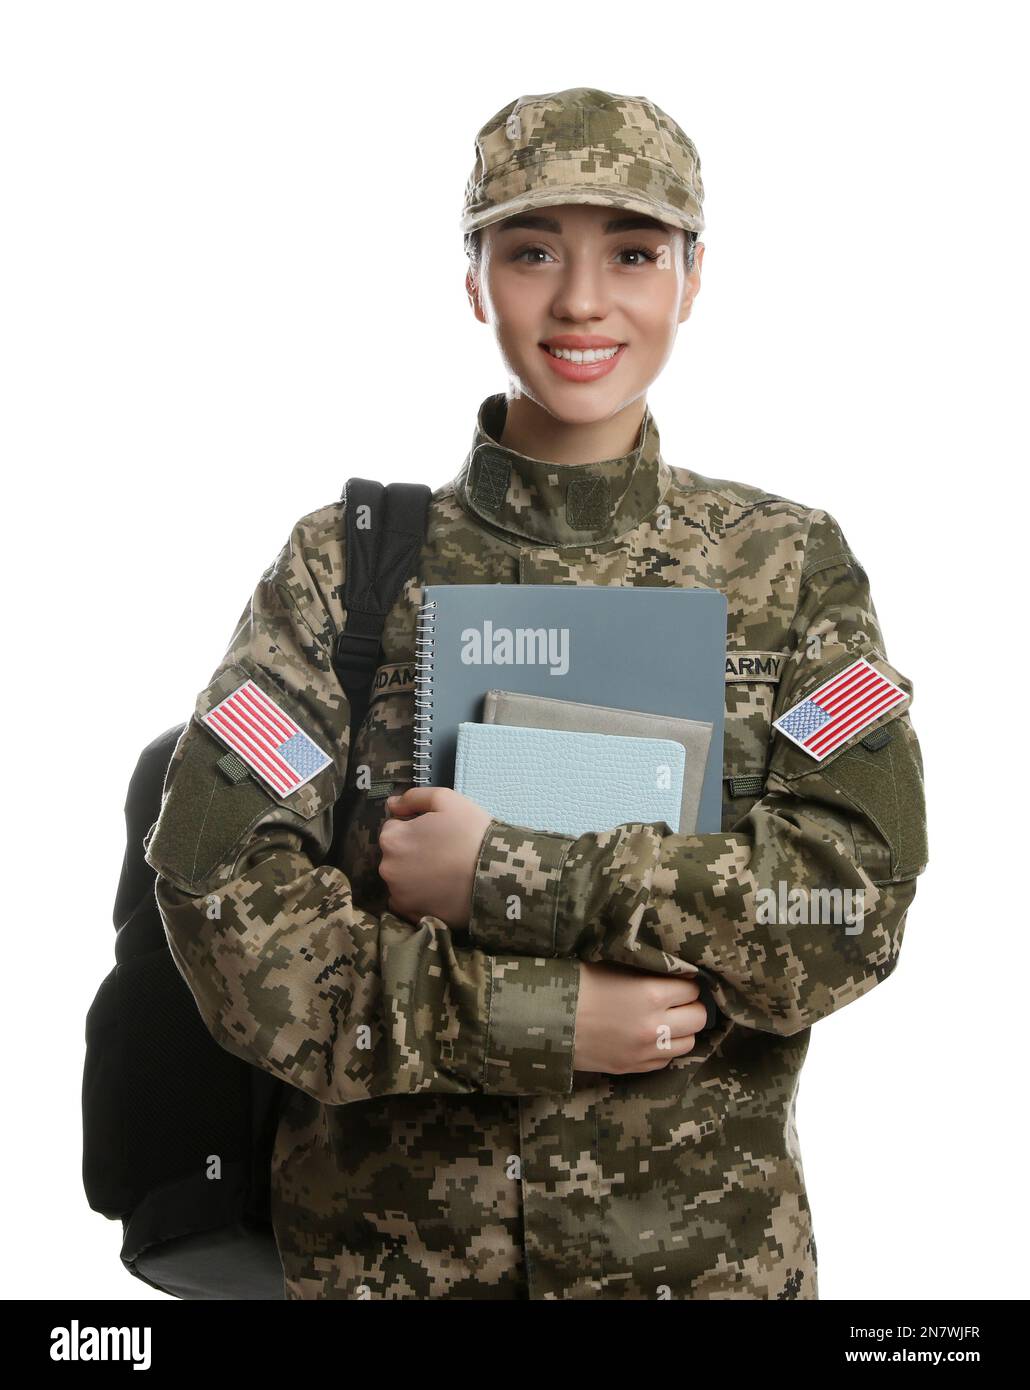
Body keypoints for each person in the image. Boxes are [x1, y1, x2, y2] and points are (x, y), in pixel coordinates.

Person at [144, 86, 928, 1300]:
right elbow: (219, 900)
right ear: (472, 278)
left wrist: (515, 872)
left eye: (631, 251)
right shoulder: (343, 568)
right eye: (528, 252)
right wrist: (531, 1017)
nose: (579, 300)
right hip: (382, 1271)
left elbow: (847, 903)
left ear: (692, 274)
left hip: (698, 1272)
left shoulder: (789, 570)